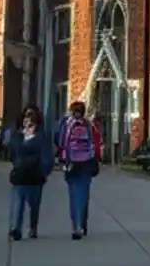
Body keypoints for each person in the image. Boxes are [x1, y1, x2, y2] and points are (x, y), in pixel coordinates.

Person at [55, 101, 101, 240]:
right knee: (82, 195)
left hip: (70, 164)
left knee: (73, 196)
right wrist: (97, 159)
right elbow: (96, 143)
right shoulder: (89, 125)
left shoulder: (66, 124)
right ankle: (81, 224)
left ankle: (75, 225)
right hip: (86, 163)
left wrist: (60, 157)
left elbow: (59, 142)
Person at [8, 104, 53, 241]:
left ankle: (33, 227)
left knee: (34, 204)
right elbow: (12, 152)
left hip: (35, 176)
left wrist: (44, 170)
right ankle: (16, 228)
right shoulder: (18, 136)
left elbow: (46, 155)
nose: (28, 121)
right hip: (20, 174)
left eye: (31, 118)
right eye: (25, 118)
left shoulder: (41, 137)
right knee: (17, 203)